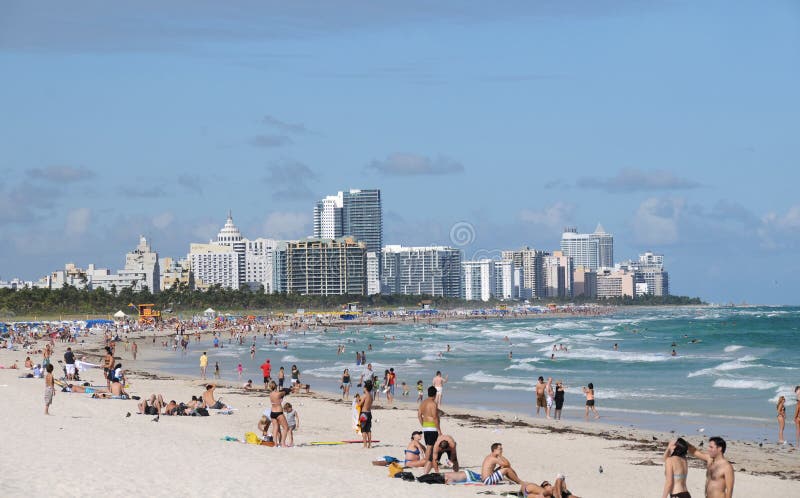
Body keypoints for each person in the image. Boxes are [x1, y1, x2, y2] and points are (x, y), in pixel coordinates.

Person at [268, 380, 291, 447]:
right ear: (276, 386)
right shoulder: (278, 393)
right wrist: (290, 389)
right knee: (286, 427)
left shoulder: (270, 394)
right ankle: (283, 443)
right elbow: (286, 391)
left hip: (272, 413)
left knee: (275, 428)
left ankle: (275, 444)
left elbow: (280, 398)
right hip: (279, 412)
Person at [357, 380, 374, 448]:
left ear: (366, 388)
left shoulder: (364, 395)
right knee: (368, 430)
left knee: (363, 430)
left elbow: (359, 404)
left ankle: (365, 445)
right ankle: (370, 444)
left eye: (364, 387)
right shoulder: (371, 396)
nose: (363, 388)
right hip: (369, 413)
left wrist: (358, 399)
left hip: (364, 414)